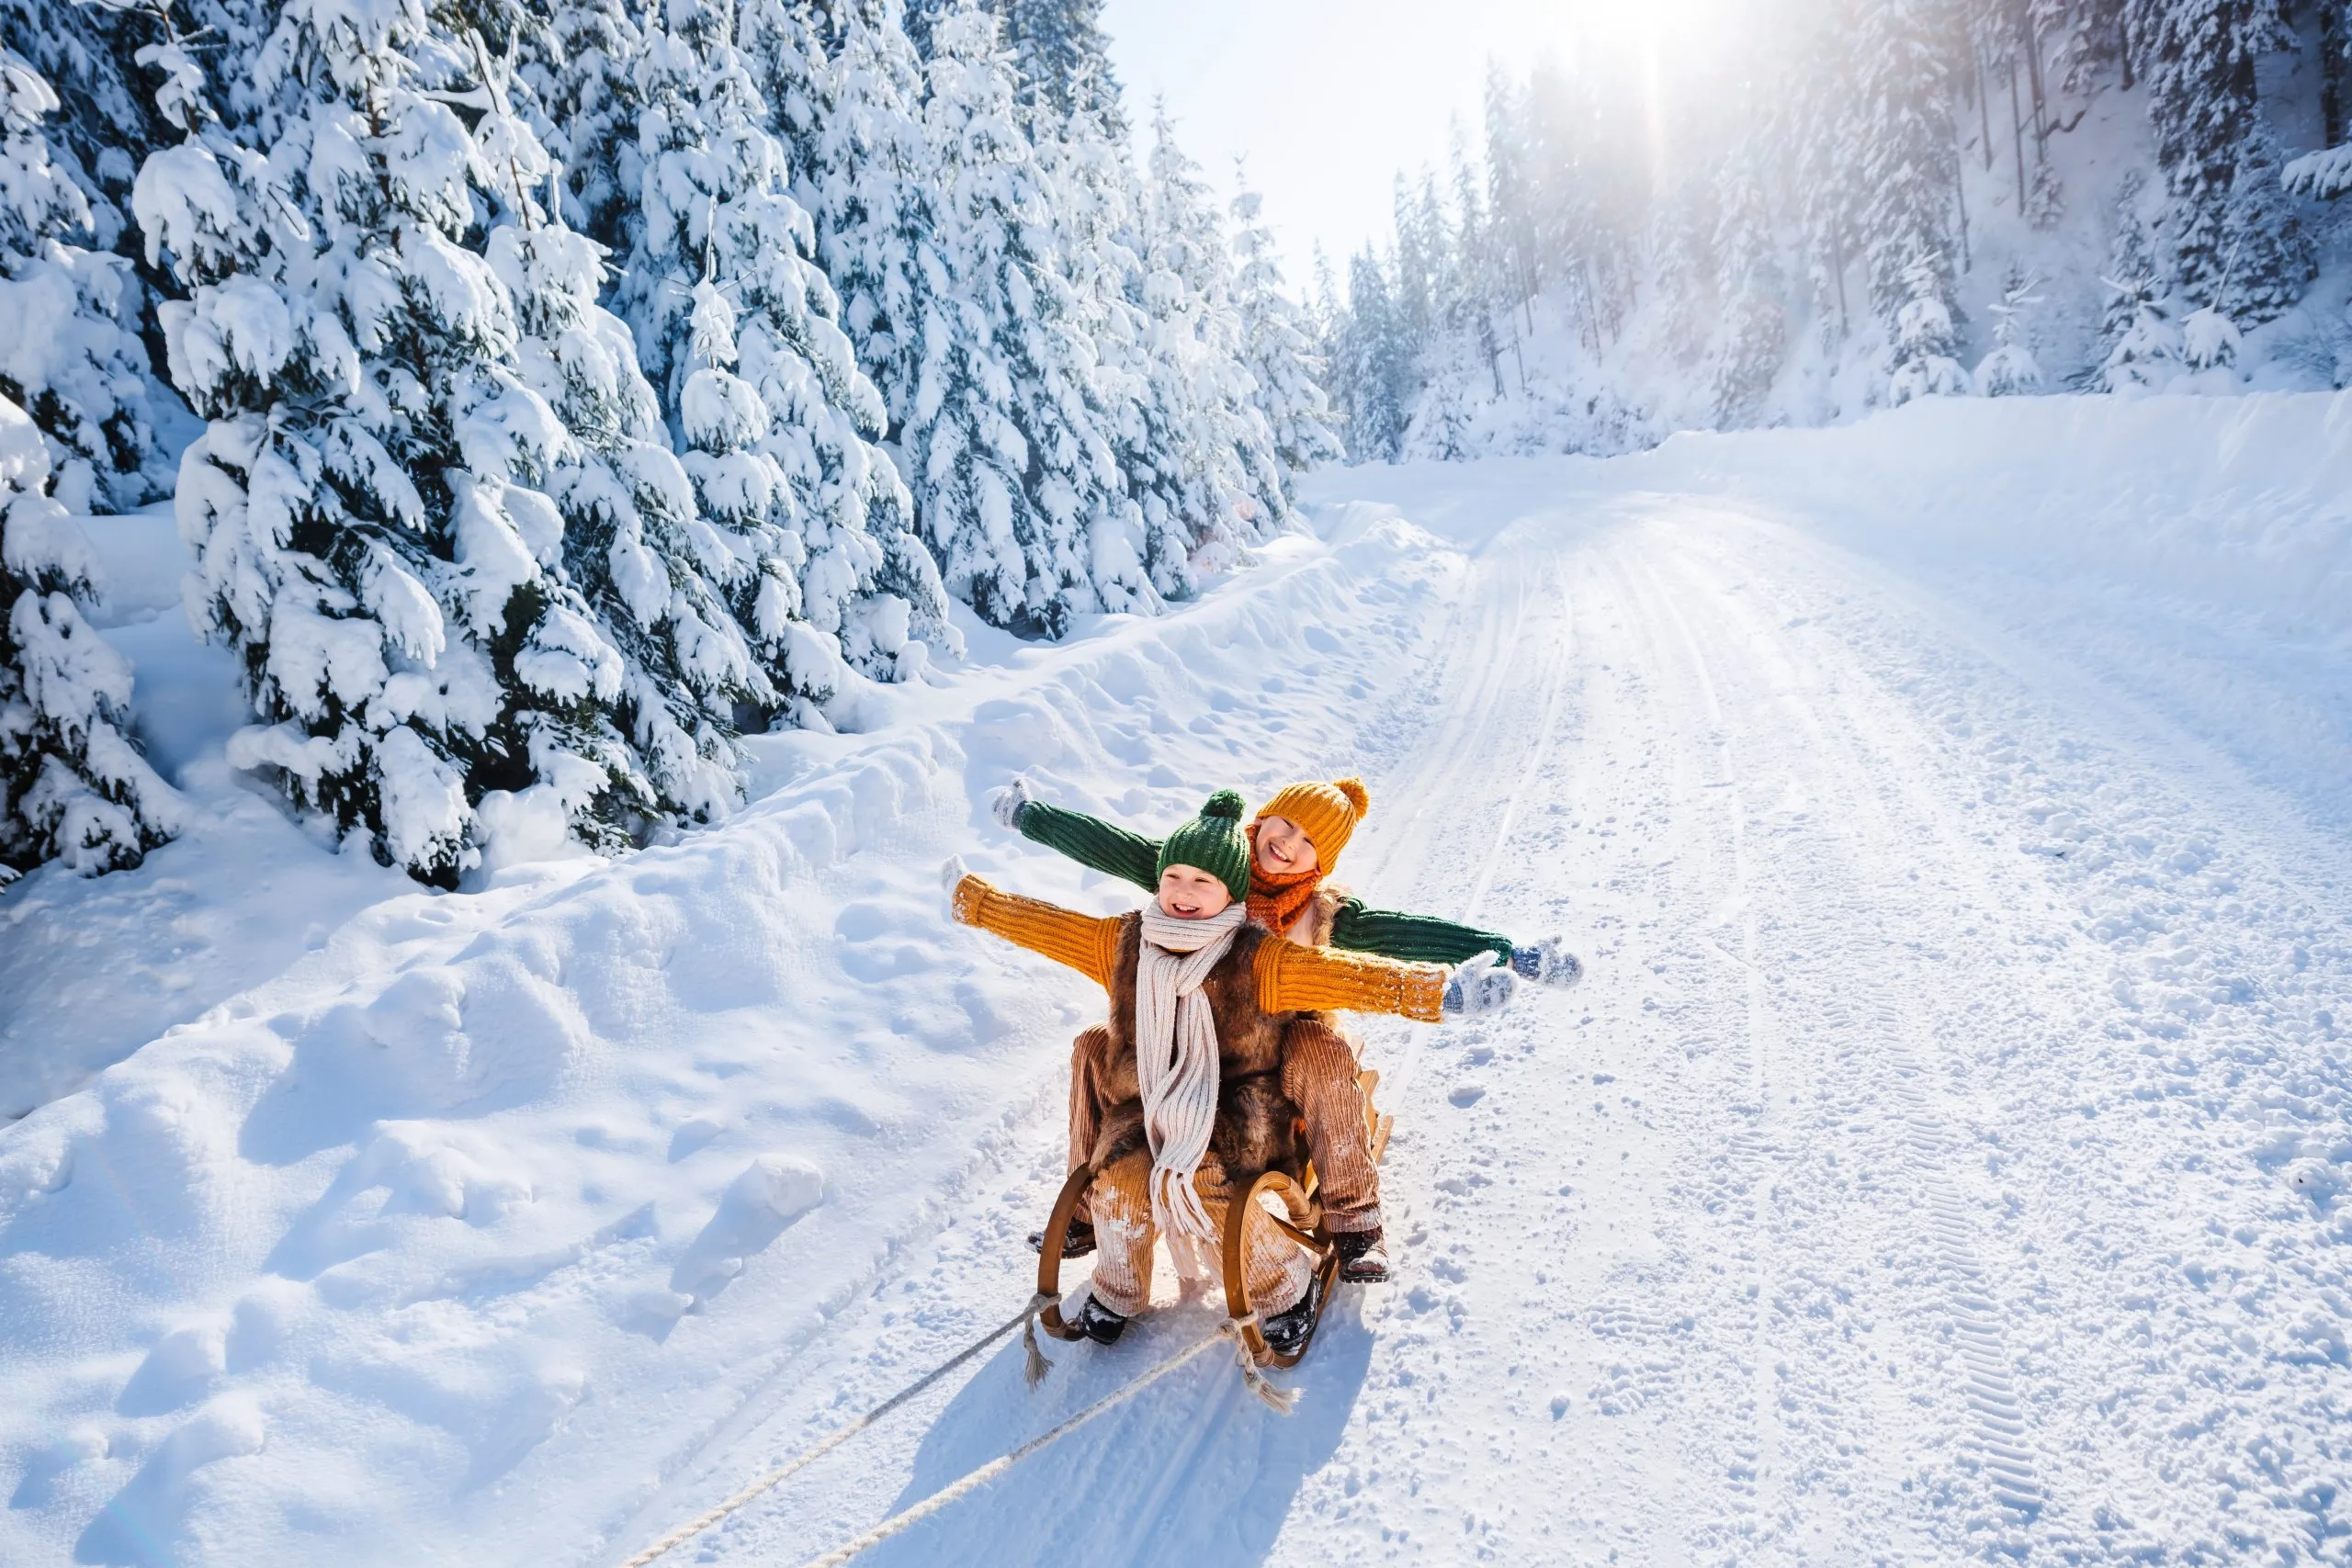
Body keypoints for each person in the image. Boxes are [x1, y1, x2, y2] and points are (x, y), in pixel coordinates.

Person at [944, 791, 1516, 1354]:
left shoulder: (1284, 941)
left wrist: (1458, 985)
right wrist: (991, 870)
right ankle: (1108, 1250)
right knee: (1101, 1076)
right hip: (1164, 1079)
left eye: (1308, 840)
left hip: (1258, 1076)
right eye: (1174, 879)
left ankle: (1341, 1227)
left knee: (1309, 1058)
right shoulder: (1161, 906)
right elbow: (1067, 893)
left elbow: (1360, 970)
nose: (1287, 845)